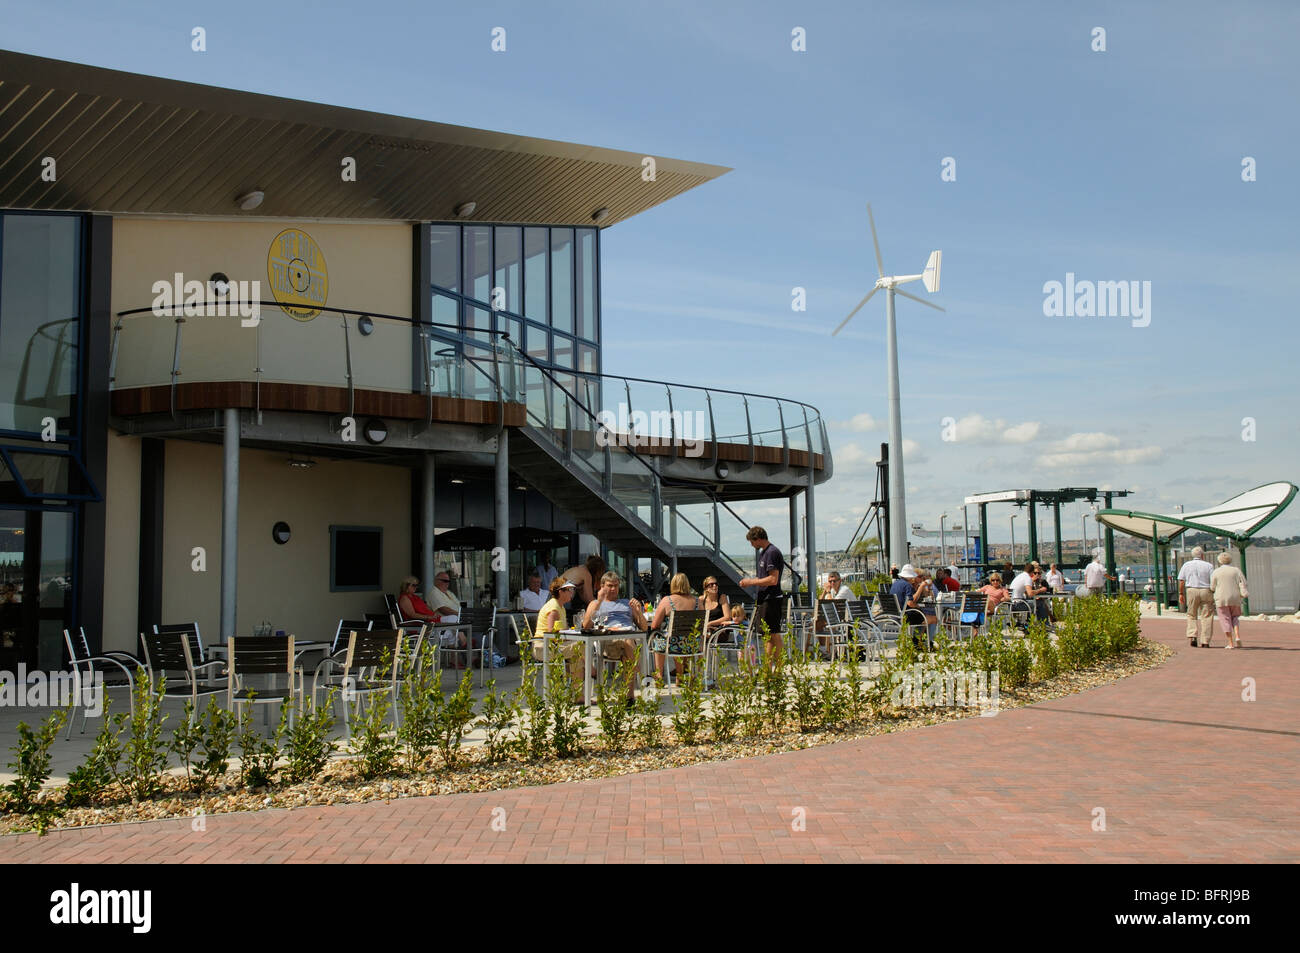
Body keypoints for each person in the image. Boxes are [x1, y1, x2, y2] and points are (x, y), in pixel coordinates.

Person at [582, 571, 643, 702]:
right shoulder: (595, 604)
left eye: (616, 585)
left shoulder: (627, 603)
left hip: (628, 639)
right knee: (629, 643)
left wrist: (638, 612)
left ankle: (628, 697)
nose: (614, 589)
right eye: (610, 586)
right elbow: (586, 625)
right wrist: (599, 601)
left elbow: (643, 627)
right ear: (602, 586)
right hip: (608, 641)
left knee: (628, 646)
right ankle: (636, 670)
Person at [738, 527, 785, 666]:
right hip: (767, 598)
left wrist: (751, 582)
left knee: (769, 635)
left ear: (758, 539)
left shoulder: (771, 552)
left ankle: (769, 668)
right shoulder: (765, 553)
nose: (752, 545)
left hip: (771, 599)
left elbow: (773, 579)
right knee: (773, 634)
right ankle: (776, 668)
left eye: (752, 542)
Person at [398, 575, 470, 657]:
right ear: (406, 585)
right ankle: (464, 643)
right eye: (413, 585)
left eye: (417, 585)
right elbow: (412, 615)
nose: (416, 587)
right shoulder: (405, 598)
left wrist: (431, 613)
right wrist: (428, 617)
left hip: (431, 621)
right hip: (421, 626)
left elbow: (424, 609)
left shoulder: (415, 597)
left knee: (452, 628)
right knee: (453, 621)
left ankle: (453, 659)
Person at [535, 577, 585, 688]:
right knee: (580, 646)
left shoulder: (560, 607)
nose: (572, 593)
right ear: (560, 592)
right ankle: (592, 670)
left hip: (553, 645)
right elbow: (551, 633)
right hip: (544, 647)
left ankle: (579, 695)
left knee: (577, 657)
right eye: (569, 590)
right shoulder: (554, 608)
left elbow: (562, 631)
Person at [651, 573, 700, 680]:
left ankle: (659, 675)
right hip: (692, 644)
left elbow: (654, 625)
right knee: (680, 638)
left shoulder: (667, 600)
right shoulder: (698, 601)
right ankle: (680, 675)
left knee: (659, 639)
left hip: (673, 644)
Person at [1177, 546, 1215, 647]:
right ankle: (1205, 641)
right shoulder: (1209, 566)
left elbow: (1181, 581)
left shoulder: (1186, 565)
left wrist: (1181, 593)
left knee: (1191, 614)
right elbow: (1213, 581)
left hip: (1191, 589)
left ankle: (1193, 635)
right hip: (1206, 590)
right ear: (1202, 555)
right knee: (1207, 616)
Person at [1210, 553, 1247, 649]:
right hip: (1235, 598)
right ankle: (1237, 636)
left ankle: (1230, 643)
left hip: (1221, 598)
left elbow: (1212, 587)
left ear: (1219, 561)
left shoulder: (1216, 571)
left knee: (1225, 619)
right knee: (1235, 617)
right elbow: (1244, 582)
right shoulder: (1236, 570)